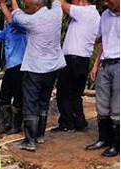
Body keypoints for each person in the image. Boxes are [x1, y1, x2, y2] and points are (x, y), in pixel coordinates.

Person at [7, 0, 66, 151]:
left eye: (28, 6)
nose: (26, 9)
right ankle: (40, 135)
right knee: (43, 102)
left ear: (37, 6)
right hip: (52, 67)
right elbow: (57, 1)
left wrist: (11, 1)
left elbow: (15, 14)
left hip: (35, 68)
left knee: (30, 103)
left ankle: (29, 141)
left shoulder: (31, 20)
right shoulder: (56, 13)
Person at [53, 0, 100, 132]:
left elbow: (61, 4)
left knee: (64, 92)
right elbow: (98, 38)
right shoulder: (95, 15)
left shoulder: (84, 12)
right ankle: (79, 121)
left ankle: (67, 123)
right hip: (83, 58)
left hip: (73, 58)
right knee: (75, 93)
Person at [0, 0, 27, 134]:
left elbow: (12, 19)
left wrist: (3, 3)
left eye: (9, 10)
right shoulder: (8, 29)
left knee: (17, 96)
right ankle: (7, 123)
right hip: (11, 67)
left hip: (19, 66)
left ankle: (16, 125)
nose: (6, 14)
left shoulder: (20, 27)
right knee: (4, 96)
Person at [86, 0, 119, 157]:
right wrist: (95, 65)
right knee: (102, 103)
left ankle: (116, 144)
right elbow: (102, 42)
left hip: (119, 64)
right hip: (105, 63)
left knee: (117, 106)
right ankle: (103, 139)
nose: (106, 2)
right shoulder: (105, 15)